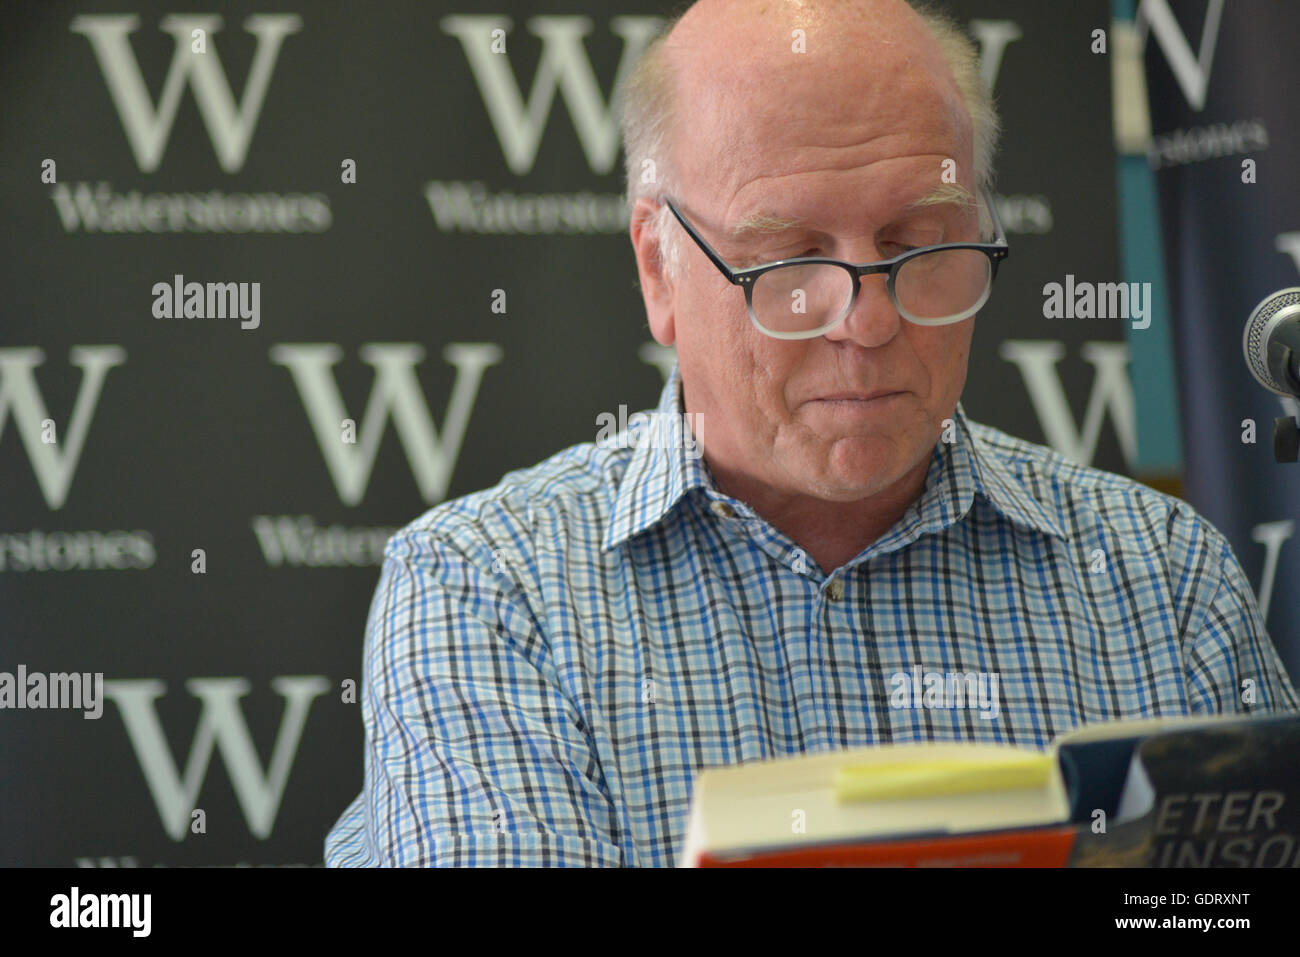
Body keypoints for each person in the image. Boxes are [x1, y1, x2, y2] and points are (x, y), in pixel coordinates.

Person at [325, 0, 1298, 867]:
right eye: (786, 257)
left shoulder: (1161, 576)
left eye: (918, 244)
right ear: (659, 269)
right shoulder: (493, 590)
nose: (865, 320)